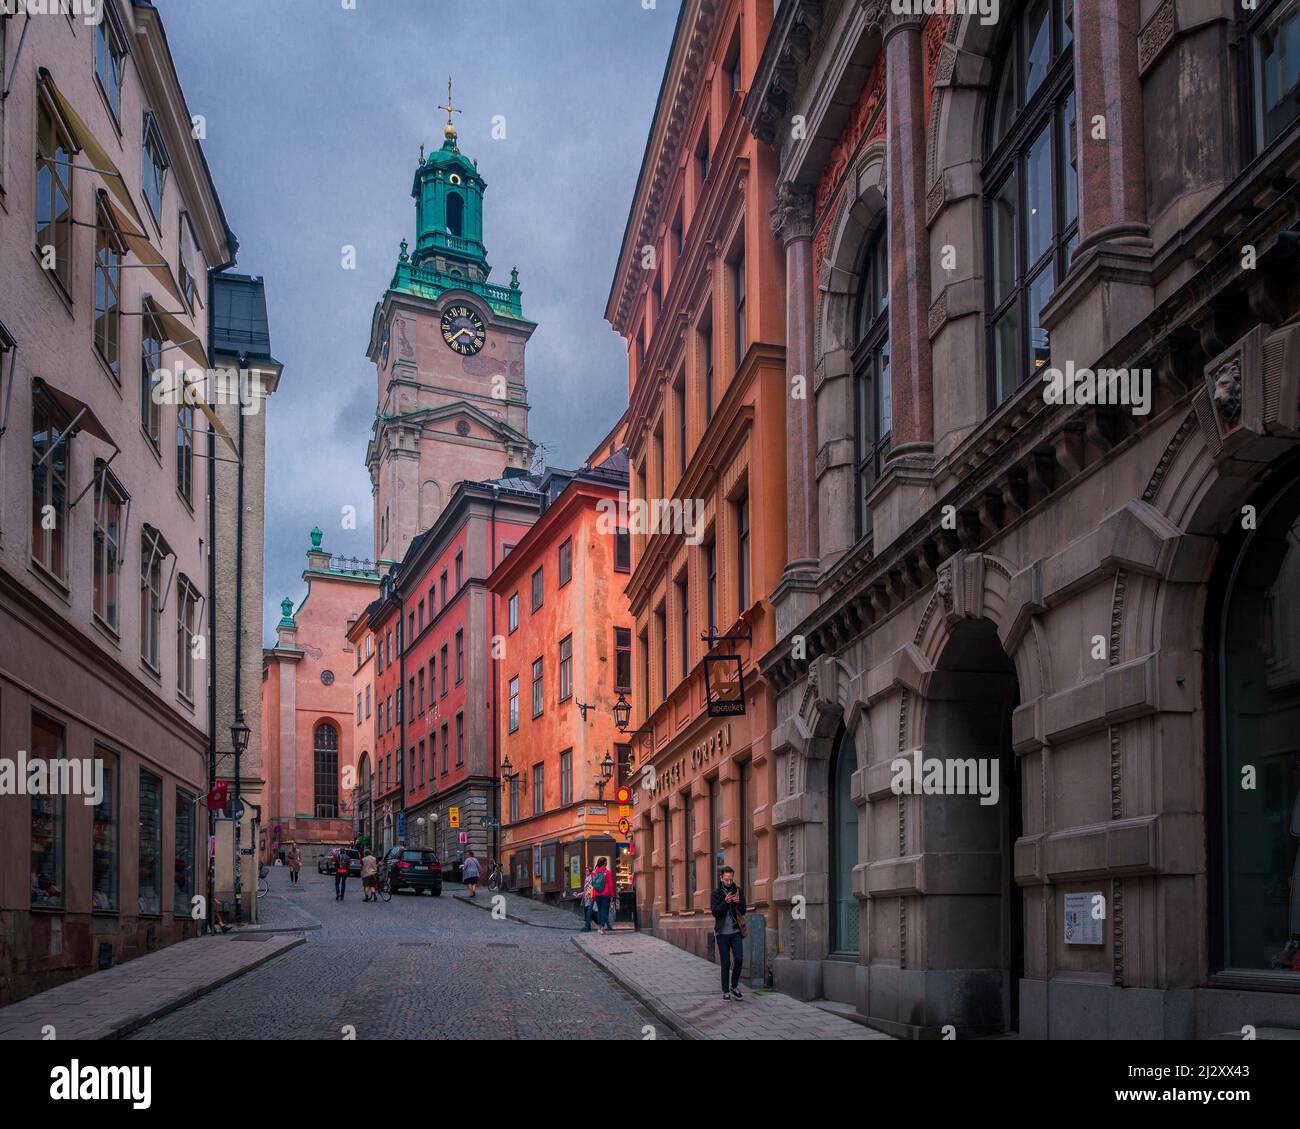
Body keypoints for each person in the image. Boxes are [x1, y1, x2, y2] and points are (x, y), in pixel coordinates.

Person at [711, 865, 746, 1000]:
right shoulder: (716, 893)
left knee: (739, 958)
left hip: (735, 931)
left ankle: (734, 985)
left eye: (730, 880)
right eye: (726, 880)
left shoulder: (738, 890)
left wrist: (738, 903)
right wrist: (725, 902)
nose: (729, 882)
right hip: (721, 934)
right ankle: (725, 990)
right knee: (725, 963)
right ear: (721, 878)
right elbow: (715, 913)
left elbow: (743, 911)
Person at [590, 856, 614, 934]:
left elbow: (593, 885)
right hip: (605, 894)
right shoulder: (607, 872)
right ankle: (602, 928)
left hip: (597, 894)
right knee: (604, 911)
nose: (606, 863)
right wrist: (612, 895)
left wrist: (593, 896)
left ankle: (599, 927)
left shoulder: (595, 872)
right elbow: (610, 885)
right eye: (606, 862)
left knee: (599, 910)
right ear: (605, 863)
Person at [579, 868, 595, 932]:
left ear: (590, 872)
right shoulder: (586, 878)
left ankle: (587, 926)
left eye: (587, 871)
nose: (586, 872)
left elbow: (590, 888)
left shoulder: (590, 879)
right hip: (586, 897)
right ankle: (588, 926)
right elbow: (586, 889)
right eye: (585, 871)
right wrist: (581, 894)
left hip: (589, 897)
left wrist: (588, 895)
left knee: (588, 912)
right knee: (586, 912)